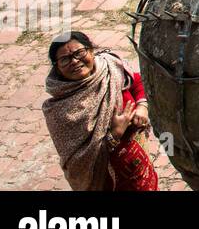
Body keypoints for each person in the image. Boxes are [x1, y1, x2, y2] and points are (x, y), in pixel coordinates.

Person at [42, 31, 158, 191]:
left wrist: (142, 106)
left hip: (139, 162)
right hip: (106, 180)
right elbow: (76, 162)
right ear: (57, 68)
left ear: (91, 50)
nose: (75, 61)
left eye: (79, 52)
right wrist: (114, 134)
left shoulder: (111, 67)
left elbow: (137, 81)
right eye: (65, 59)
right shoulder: (58, 110)